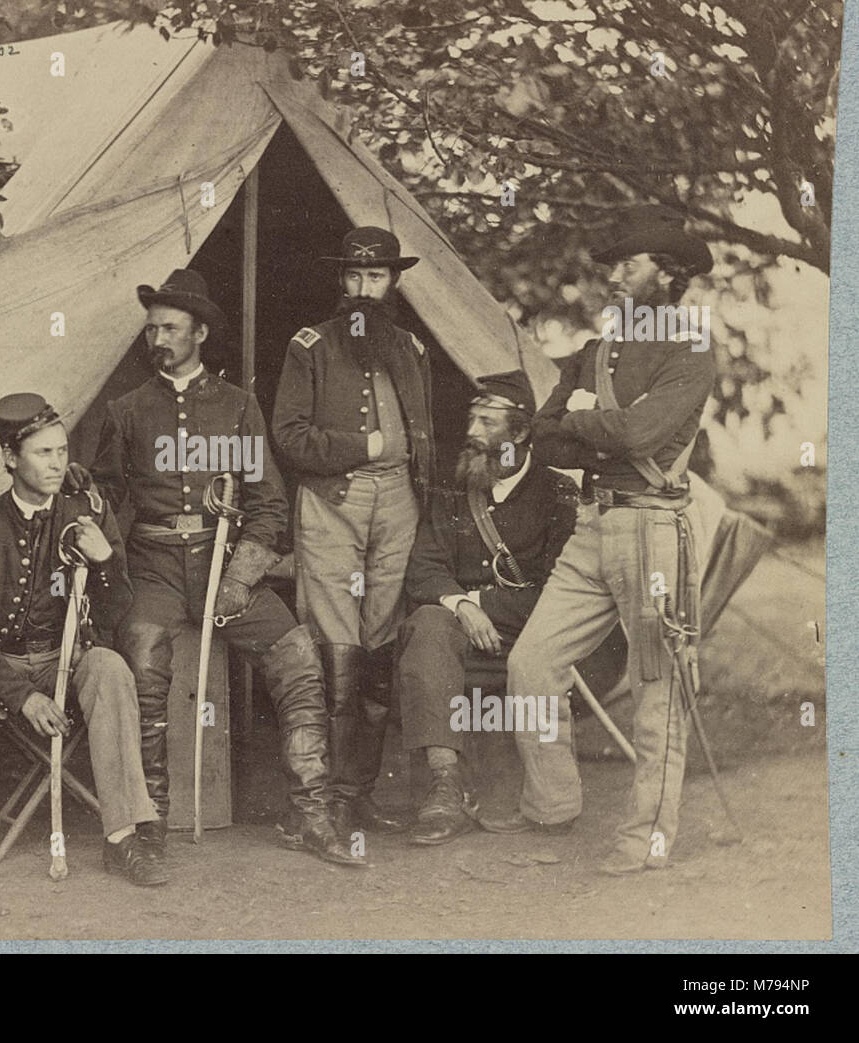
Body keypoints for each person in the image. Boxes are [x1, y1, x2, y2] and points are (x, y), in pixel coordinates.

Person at [93, 268, 364, 868]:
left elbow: (268, 503)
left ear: (201, 333)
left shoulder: (238, 408)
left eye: (169, 328)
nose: (157, 338)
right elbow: (107, 503)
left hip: (226, 569)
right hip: (155, 570)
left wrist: (241, 577)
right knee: (140, 660)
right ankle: (148, 825)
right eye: (151, 329)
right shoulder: (127, 411)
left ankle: (311, 815)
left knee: (297, 656)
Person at [496, 206, 716, 876]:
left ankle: (646, 835)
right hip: (593, 524)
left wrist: (590, 421)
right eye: (617, 263)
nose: (618, 276)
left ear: (670, 272)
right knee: (530, 665)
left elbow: (643, 437)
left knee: (657, 687)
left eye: (632, 263)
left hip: (653, 527)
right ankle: (554, 803)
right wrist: (600, 423)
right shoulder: (601, 350)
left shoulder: (691, 347)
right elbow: (544, 430)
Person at [0, 393, 167, 886]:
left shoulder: (88, 513)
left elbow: (115, 612)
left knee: (111, 670)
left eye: (62, 451)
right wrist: (24, 696)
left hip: (69, 656)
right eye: (43, 453)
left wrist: (105, 562)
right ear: (10, 458)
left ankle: (122, 836)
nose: (57, 463)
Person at [271, 226, 435, 834]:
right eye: (354, 276)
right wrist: (358, 444)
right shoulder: (310, 346)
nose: (364, 288)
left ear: (394, 282)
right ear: (341, 281)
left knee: (380, 646)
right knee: (333, 648)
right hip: (333, 499)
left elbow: (425, 443)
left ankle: (358, 789)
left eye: (376, 277)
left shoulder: (412, 350)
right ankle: (322, 797)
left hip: (398, 503)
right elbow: (287, 438)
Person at [396, 370, 577, 845]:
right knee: (428, 624)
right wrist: (460, 606)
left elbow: (563, 591)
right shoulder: (452, 488)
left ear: (519, 433)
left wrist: (482, 604)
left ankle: (514, 780)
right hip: (457, 628)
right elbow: (423, 569)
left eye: (487, 422)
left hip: (529, 632)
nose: (472, 432)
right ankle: (444, 785)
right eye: (472, 418)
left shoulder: (558, 494)